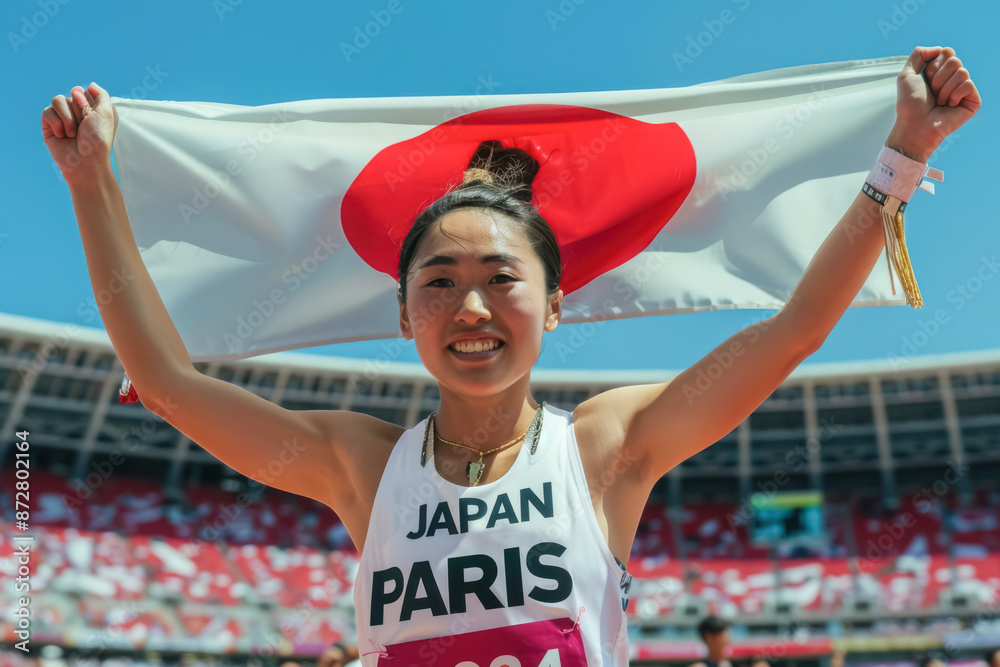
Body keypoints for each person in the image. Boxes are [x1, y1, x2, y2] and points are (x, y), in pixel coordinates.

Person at [41, 46, 979, 665]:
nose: (472, 305)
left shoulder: (610, 445)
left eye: (501, 277)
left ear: (558, 304)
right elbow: (165, 382)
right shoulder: (360, 465)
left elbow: (794, 330)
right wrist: (92, 182)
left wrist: (903, 154)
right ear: (404, 313)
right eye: (439, 282)